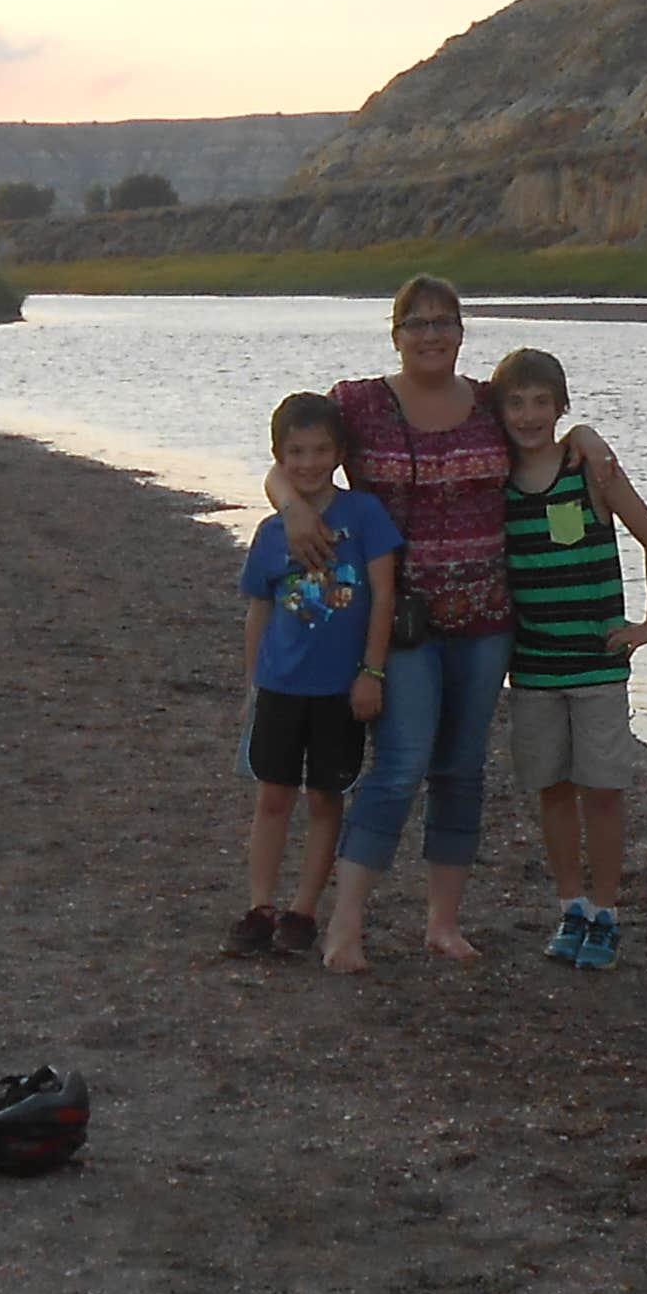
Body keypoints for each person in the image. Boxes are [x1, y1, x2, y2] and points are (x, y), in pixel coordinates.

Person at [266, 277, 622, 974]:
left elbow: (549, 429)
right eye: (417, 323)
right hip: (401, 622)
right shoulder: (360, 403)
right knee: (399, 766)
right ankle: (345, 926)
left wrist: (585, 432)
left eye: (444, 322)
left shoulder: (491, 404)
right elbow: (291, 458)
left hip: (488, 620)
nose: (431, 335)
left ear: (462, 332)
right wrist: (291, 507)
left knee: (461, 770)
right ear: (394, 333)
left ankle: (443, 924)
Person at [487, 346, 647, 967]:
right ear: (500, 409)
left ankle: (607, 910)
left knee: (605, 790)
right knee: (553, 788)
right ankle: (570, 907)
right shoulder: (497, 481)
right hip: (534, 669)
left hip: (596, 668)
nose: (530, 414)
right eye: (516, 402)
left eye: (542, 402)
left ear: (562, 408)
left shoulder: (590, 468)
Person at [230, 392, 400, 957]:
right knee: (272, 796)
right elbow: (259, 607)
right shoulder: (273, 532)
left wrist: (371, 672)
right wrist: (253, 682)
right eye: (295, 452)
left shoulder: (364, 517)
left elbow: (382, 598)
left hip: (339, 687)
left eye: (320, 450)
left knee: (327, 799)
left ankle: (303, 911)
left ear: (340, 453)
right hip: (281, 685)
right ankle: (260, 906)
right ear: (278, 456)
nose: (308, 463)